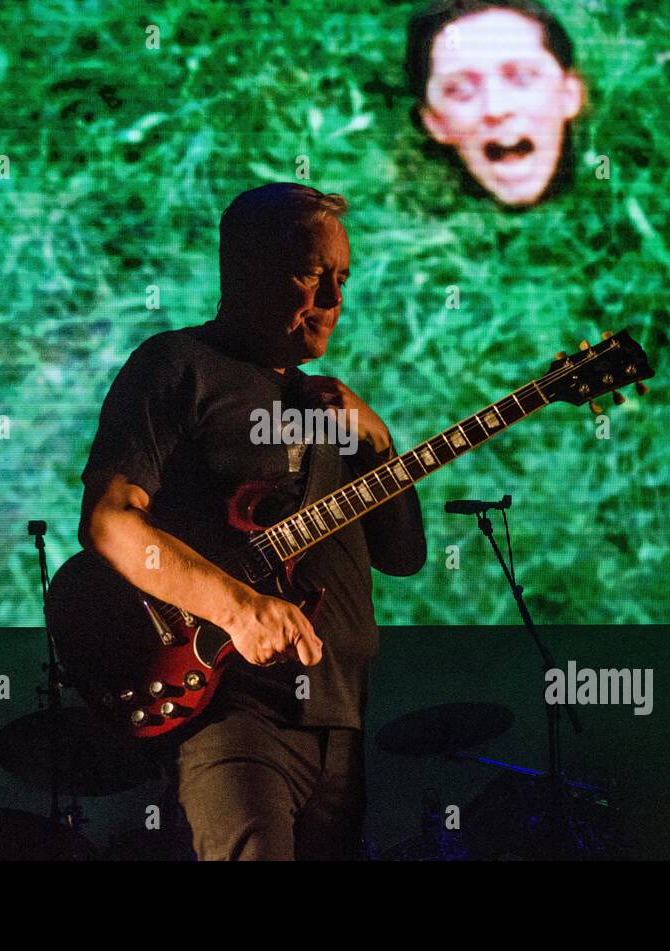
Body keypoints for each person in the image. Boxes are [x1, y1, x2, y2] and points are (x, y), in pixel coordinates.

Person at [77, 183, 427, 860]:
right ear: (243, 270)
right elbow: (111, 521)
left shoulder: (331, 407)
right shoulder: (177, 366)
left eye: (342, 279)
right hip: (233, 715)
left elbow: (404, 554)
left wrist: (380, 442)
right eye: (310, 275)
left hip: (341, 716)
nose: (333, 301)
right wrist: (239, 609)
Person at [406, 0, 585, 208]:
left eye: (522, 77)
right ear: (435, 122)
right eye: (460, 90)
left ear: (568, 95)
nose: (495, 108)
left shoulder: (605, 168)